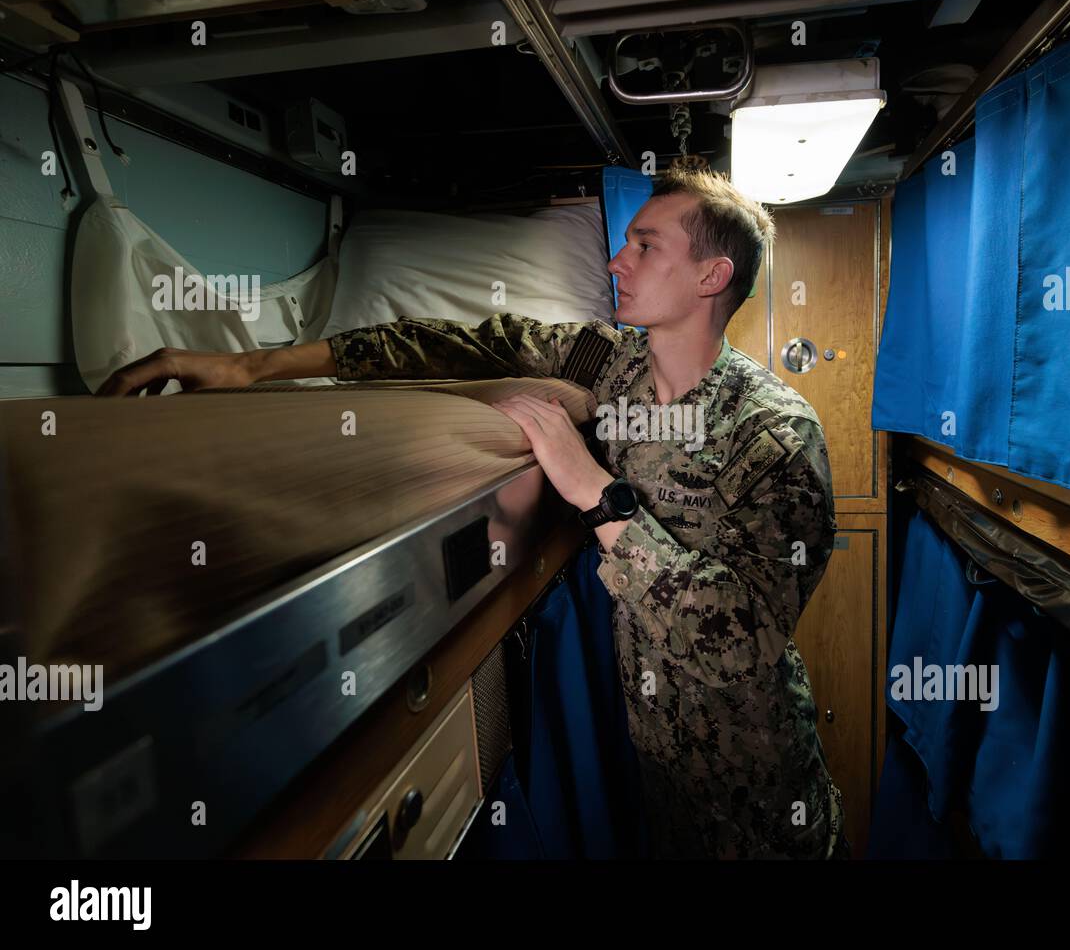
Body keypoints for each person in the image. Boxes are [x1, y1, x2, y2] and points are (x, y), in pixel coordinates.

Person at [100, 167, 848, 859]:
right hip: (649, 770)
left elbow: (740, 646)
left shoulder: (775, 435)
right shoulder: (612, 362)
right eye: (625, 242)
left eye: (645, 246)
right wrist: (251, 365)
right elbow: (452, 343)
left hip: (753, 793)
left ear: (711, 275)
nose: (618, 261)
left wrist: (596, 491)